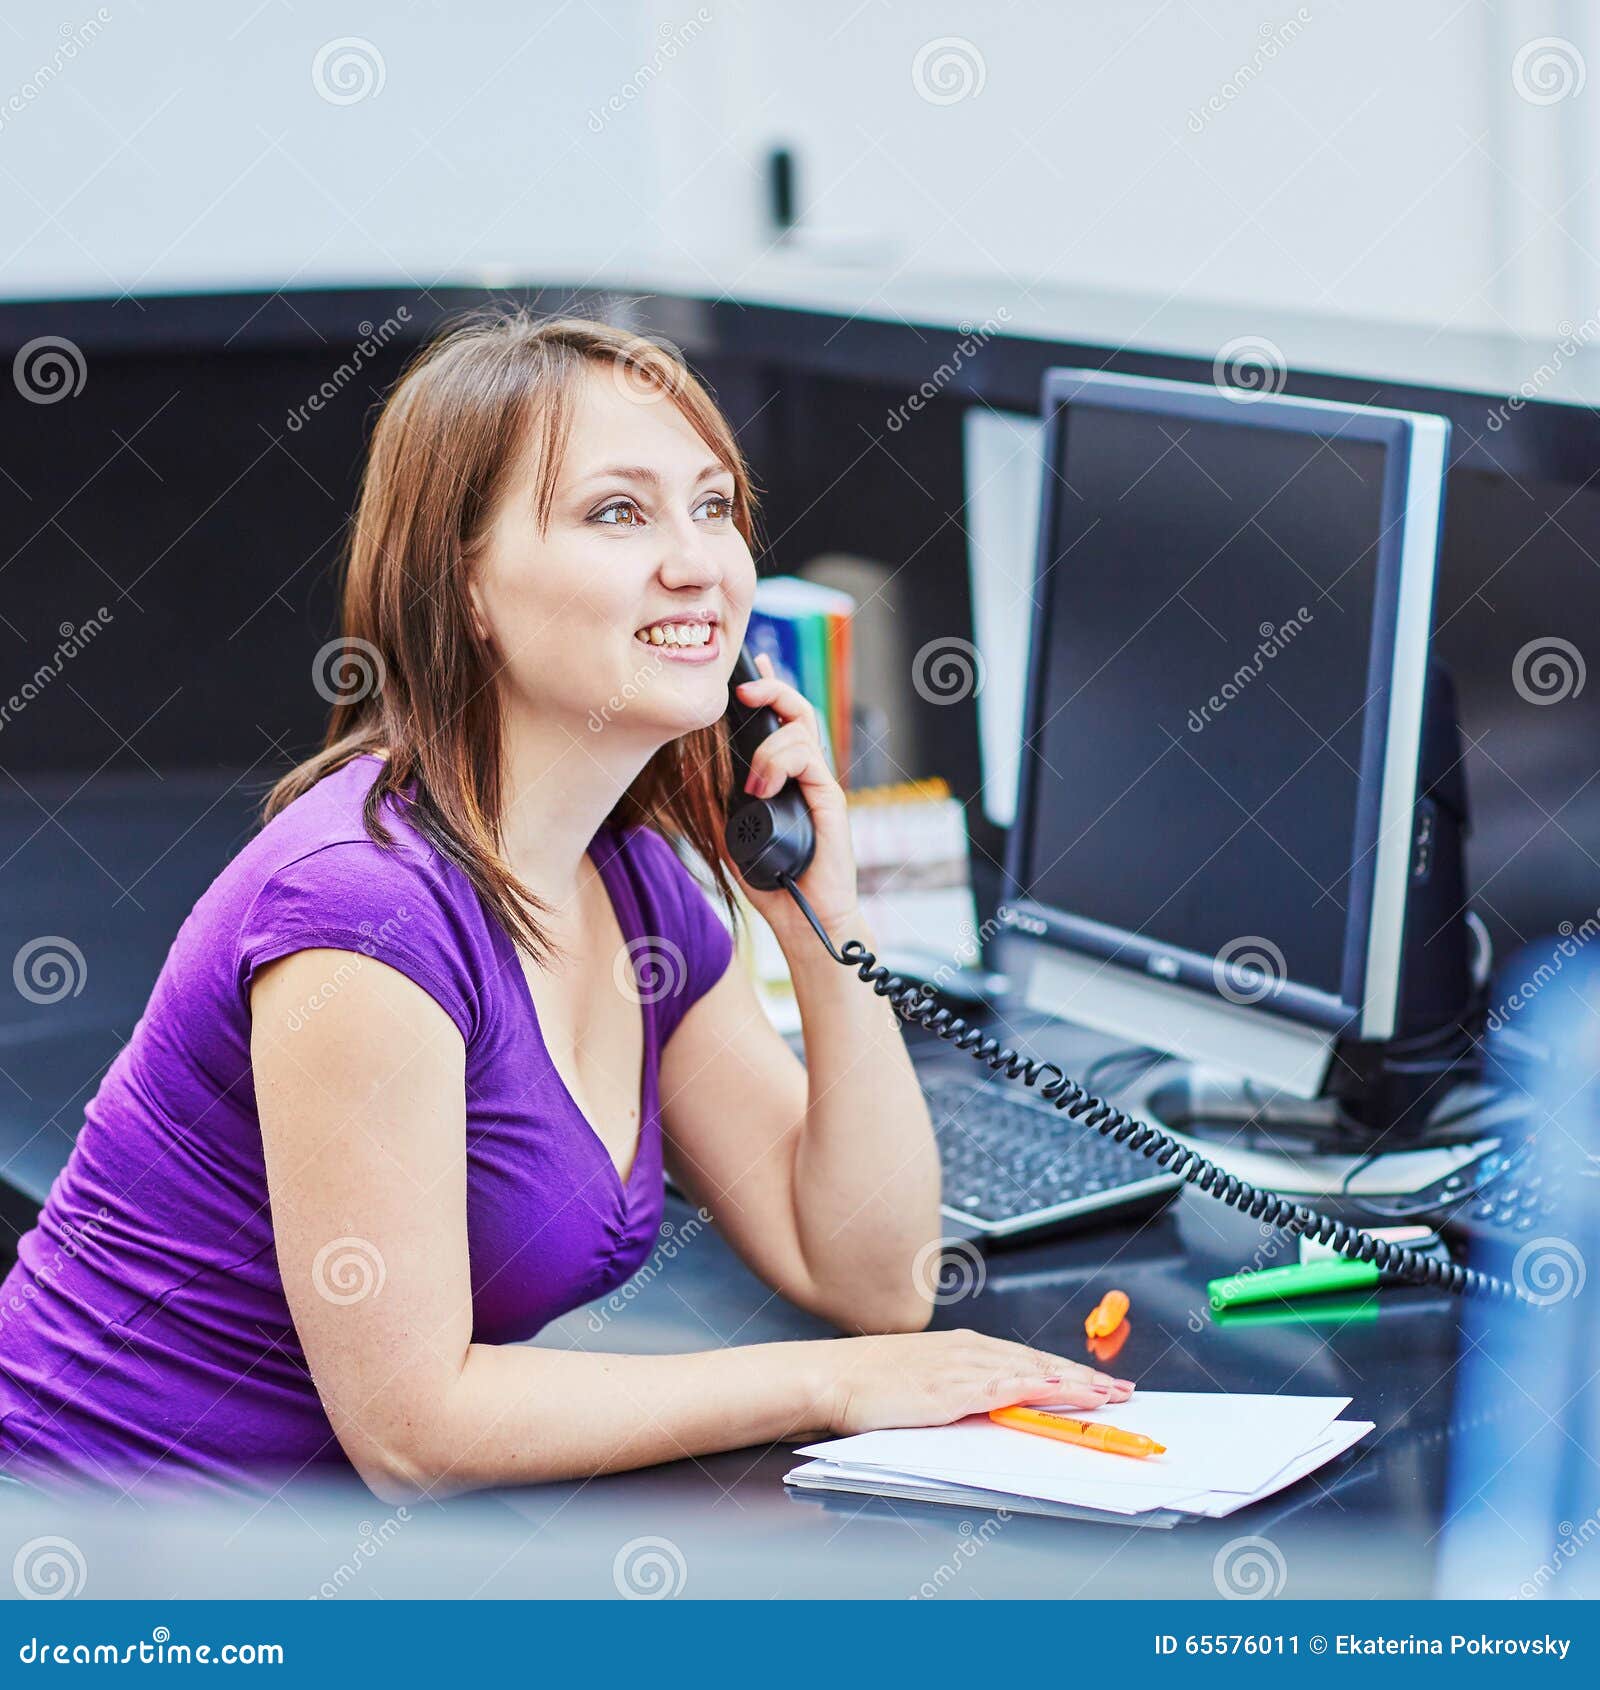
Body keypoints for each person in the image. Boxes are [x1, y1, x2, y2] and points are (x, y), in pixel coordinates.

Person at [0, 311, 1133, 1500]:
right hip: (112, 1566)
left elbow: (870, 1275)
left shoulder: (631, 878)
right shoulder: (362, 914)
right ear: (465, 587)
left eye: (711, 506)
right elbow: (416, 1434)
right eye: (617, 512)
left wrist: (820, 926)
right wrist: (829, 1383)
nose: (698, 562)